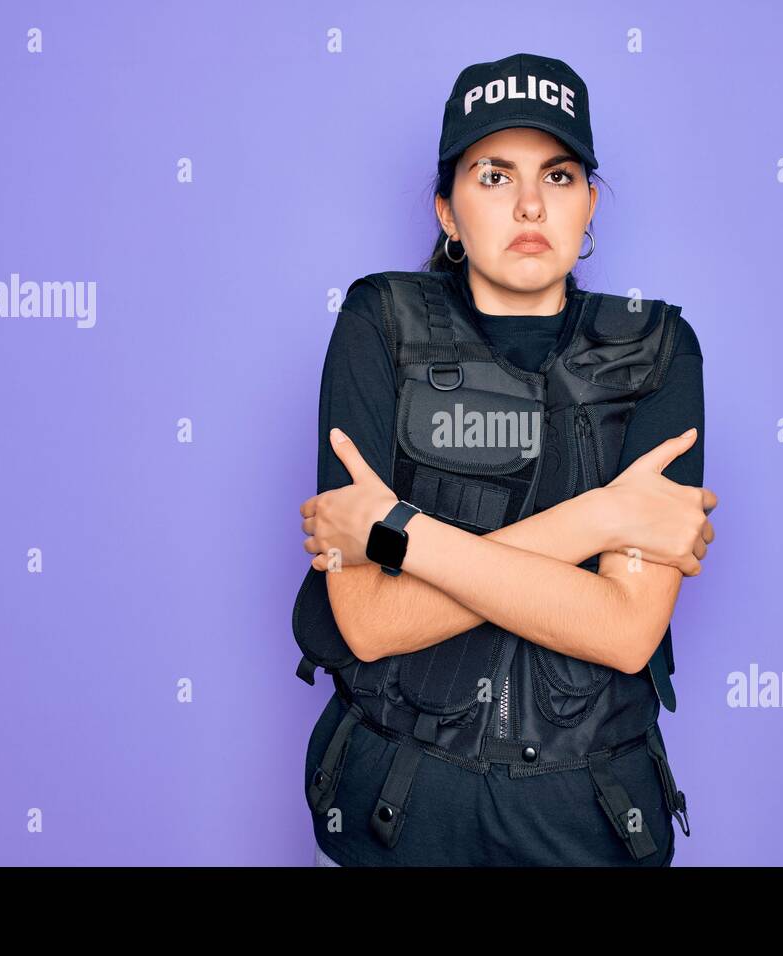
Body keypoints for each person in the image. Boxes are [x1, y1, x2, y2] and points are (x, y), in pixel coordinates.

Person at [294, 52, 718, 866]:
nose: (530, 204)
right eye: (494, 175)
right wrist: (601, 516)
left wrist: (399, 537)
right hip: (397, 810)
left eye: (558, 177)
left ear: (590, 201)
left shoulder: (661, 349)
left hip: (588, 821)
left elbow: (628, 633)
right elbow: (370, 623)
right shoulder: (376, 323)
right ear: (447, 210)